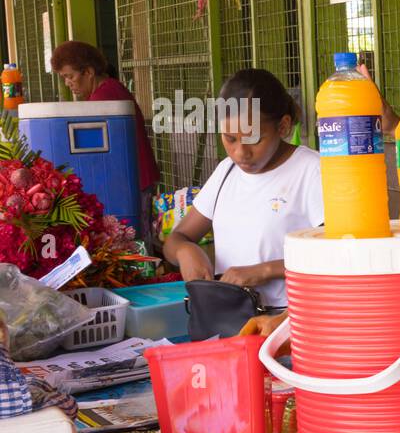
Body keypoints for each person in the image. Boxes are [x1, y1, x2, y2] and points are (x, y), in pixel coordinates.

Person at [162, 69, 322, 309]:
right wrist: (185, 251)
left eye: (254, 139)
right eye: (230, 139)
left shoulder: (312, 171)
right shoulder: (226, 171)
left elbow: (338, 254)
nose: (240, 153)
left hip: (289, 320)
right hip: (232, 316)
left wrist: (265, 270)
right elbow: (175, 238)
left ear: (283, 126)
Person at [51, 40, 161, 192]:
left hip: (131, 182)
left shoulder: (104, 97)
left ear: (88, 72)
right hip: (132, 178)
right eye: (64, 78)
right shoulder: (105, 90)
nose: (67, 83)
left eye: (70, 76)